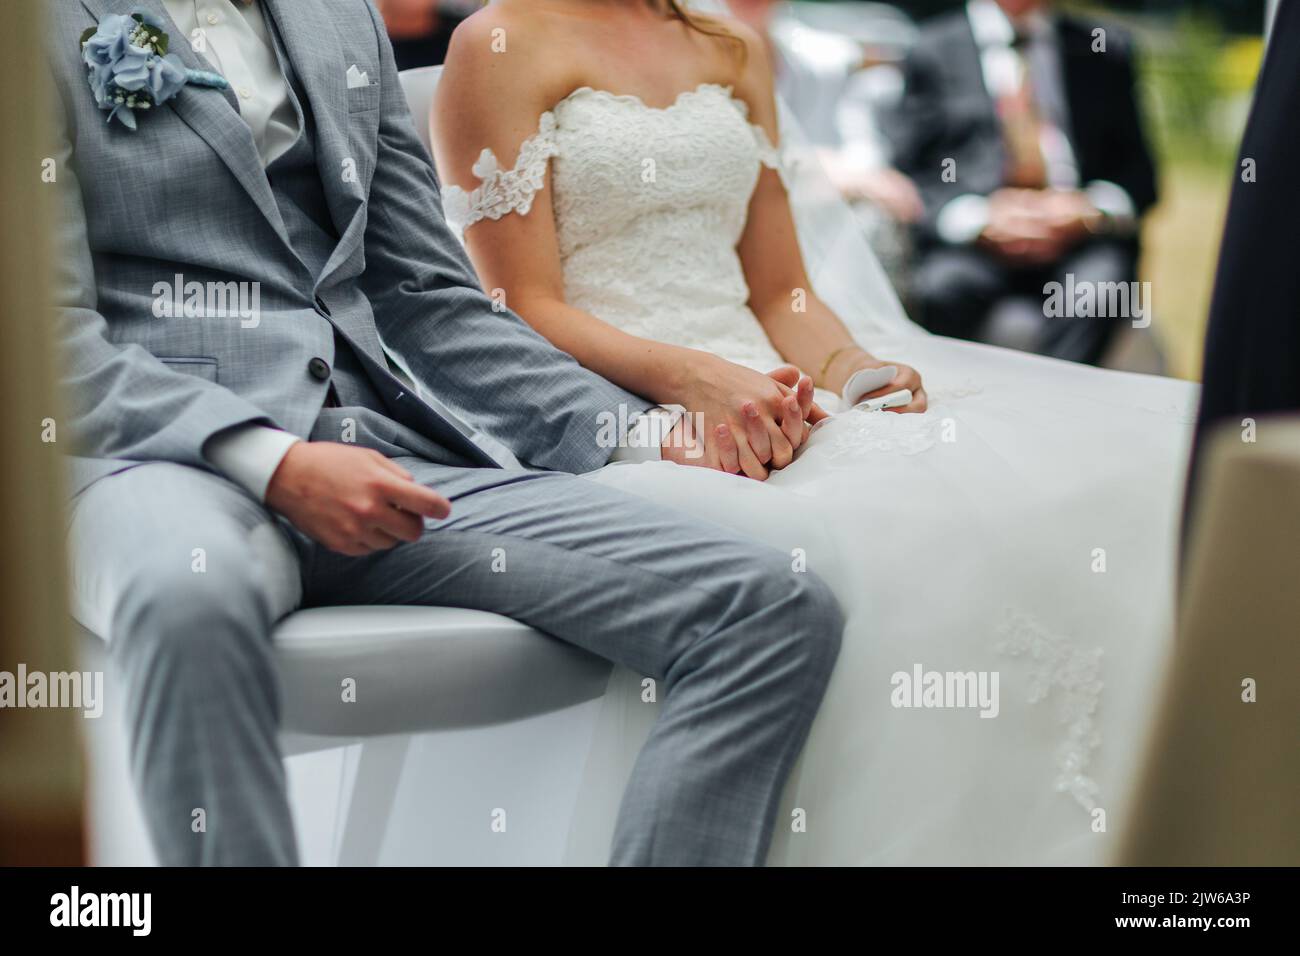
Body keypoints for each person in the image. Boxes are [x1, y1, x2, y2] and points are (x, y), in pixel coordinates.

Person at [51, 0, 845, 866]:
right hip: (158, 462)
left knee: (767, 609)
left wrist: (642, 429)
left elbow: (425, 296)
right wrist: (274, 462)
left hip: (382, 460)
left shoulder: (340, 19)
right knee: (183, 599)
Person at [432, 0, 1196, 864]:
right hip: (626, 411)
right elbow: (517, 310)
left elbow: (780, 291)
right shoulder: (500, 43)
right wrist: (688, 379)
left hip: (774, 385)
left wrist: (850, 367)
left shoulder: (730, 46)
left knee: (1112, 476)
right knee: (900, 541)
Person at [887, 0, 1157, 365]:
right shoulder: (933, 47)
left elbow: (1140, 175)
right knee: (940, 290)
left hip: (1078, 242)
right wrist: (979, 219)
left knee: (1102, 290)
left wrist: (1089, 209)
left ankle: (1054, 413)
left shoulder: (1104, 48)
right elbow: (909, 175)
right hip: (974, 246)